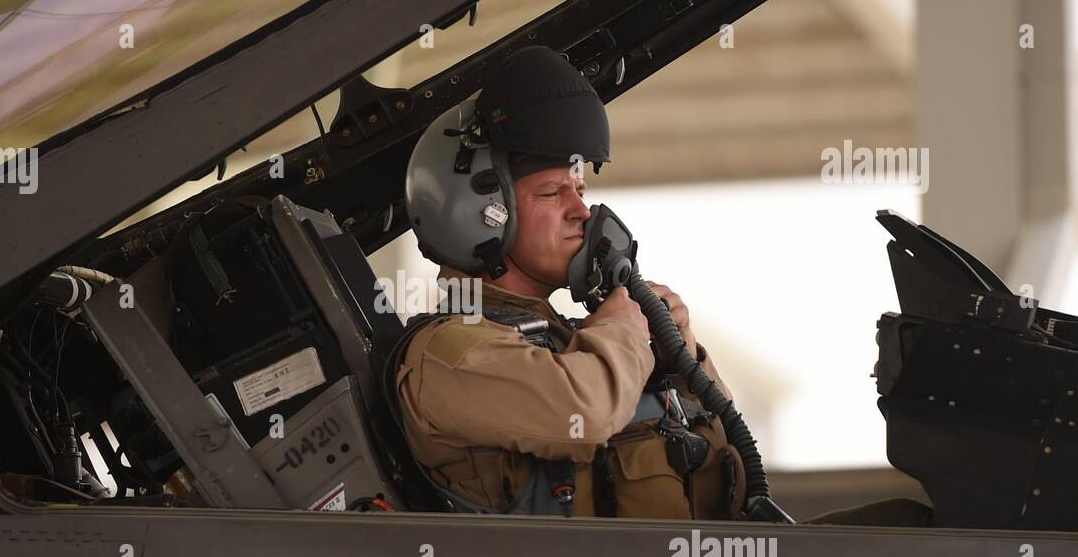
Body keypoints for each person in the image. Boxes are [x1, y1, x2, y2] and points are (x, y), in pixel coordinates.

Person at [393, 45, 932, 527]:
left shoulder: (575, 343)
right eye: (554, 192)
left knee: (914, 528)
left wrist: (683, 355)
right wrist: (626, 326)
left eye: (581, 188)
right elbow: (583, 412)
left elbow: (735, 457)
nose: (583, 211)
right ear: (480, 213)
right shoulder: (447, 354)